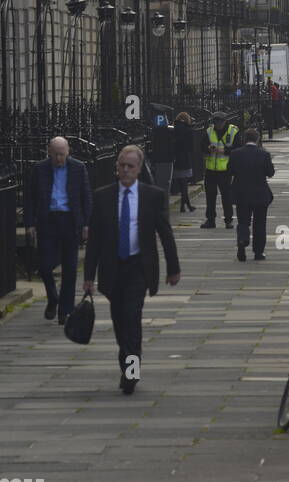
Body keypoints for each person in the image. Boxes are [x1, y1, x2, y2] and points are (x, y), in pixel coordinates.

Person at [83, 145, 180, 394]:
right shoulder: (103, 196)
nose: (125, 170)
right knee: (119, 321)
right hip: (113, 268)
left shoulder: (152, 196)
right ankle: (126, 361)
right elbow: (94, 241)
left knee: (132, 318)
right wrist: (88, 276)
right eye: (122, 166)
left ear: (139, 169)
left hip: (139, 266)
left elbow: (165, 233)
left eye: (130, 166)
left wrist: (173, 268)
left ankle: (132, 372)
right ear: (116, 167)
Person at [24, 137, 92, 324]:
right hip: (48, 220)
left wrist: (87, 224)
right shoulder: (40, 169)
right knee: (45, 266)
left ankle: (65, 310)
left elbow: (86, 196)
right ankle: (53, 298)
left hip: (70, 220)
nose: (59, 158)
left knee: (70, 269)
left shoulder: (78, 168)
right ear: (49, 152)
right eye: (56, 154)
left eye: (62, 154)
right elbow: (30, 198)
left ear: (68, 152)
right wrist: (30, 224)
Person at [227, 127, 275, 262]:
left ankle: (242, 242)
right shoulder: (263, 154)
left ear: (244, 139)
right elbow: (270, 172)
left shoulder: (235, 154)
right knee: (260, 224)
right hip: (260, 194)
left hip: (241, 193)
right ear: (257, 139)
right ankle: (258, 252)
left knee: (243, 221)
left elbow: (229, 170)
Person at [200, 113, 239, 229]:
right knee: (210, 196)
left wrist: (224, 150)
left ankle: (228, 220)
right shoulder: (209, 131)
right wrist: (208, 148)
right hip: (211, 169)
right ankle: (210, 220)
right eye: (216, 122)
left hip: (225, 170)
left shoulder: (233, 131)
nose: (218, 125)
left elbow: (238, 148)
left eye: (220, 122)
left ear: (224, 121)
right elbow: (201, 145)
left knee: (226, 196)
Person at [173, 112, 195, 212]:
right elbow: (191, 146)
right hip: (185, 158)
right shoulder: (188, 130)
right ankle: (186, 205)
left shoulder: (173, 129)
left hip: (175, 158)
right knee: (184, 184)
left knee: (181, 184)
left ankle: (185, 205)